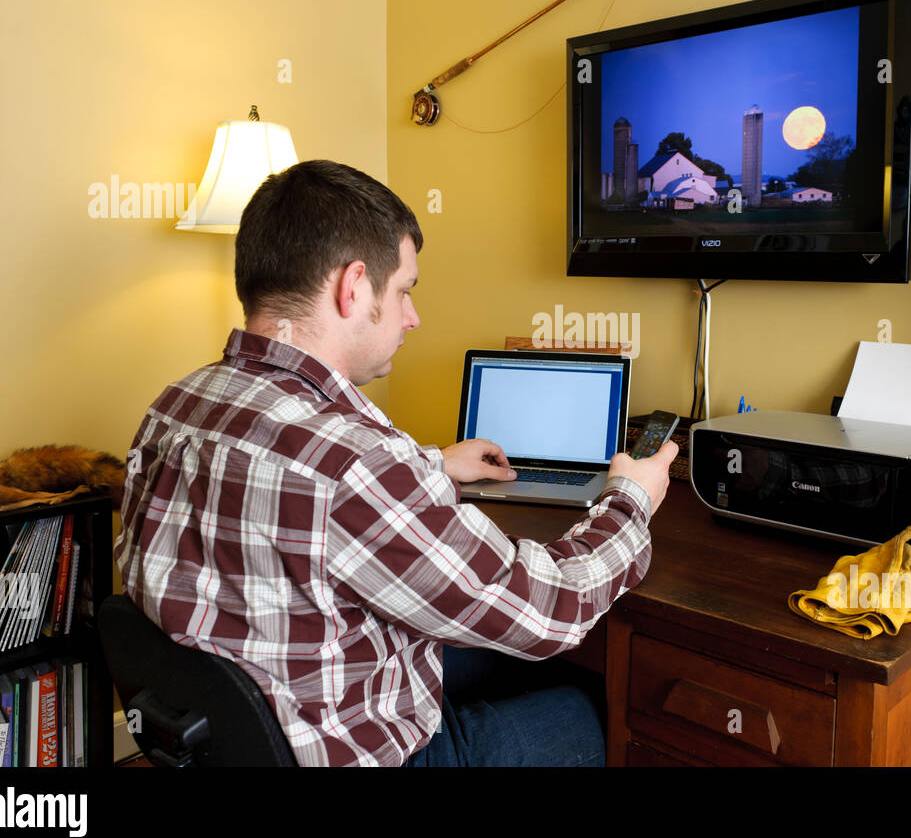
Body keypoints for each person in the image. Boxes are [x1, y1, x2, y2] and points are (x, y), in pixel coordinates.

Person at [115, 159, 678, 766]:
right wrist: (630, 500)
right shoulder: (355, 464)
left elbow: (297, 489)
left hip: (249, 730)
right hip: (355, 749)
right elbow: (547, 612)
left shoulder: (175, 407)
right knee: (595, 705)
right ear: (352, 286)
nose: (413, 317)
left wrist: (431, 464)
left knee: (489, 653)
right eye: (405, 290)